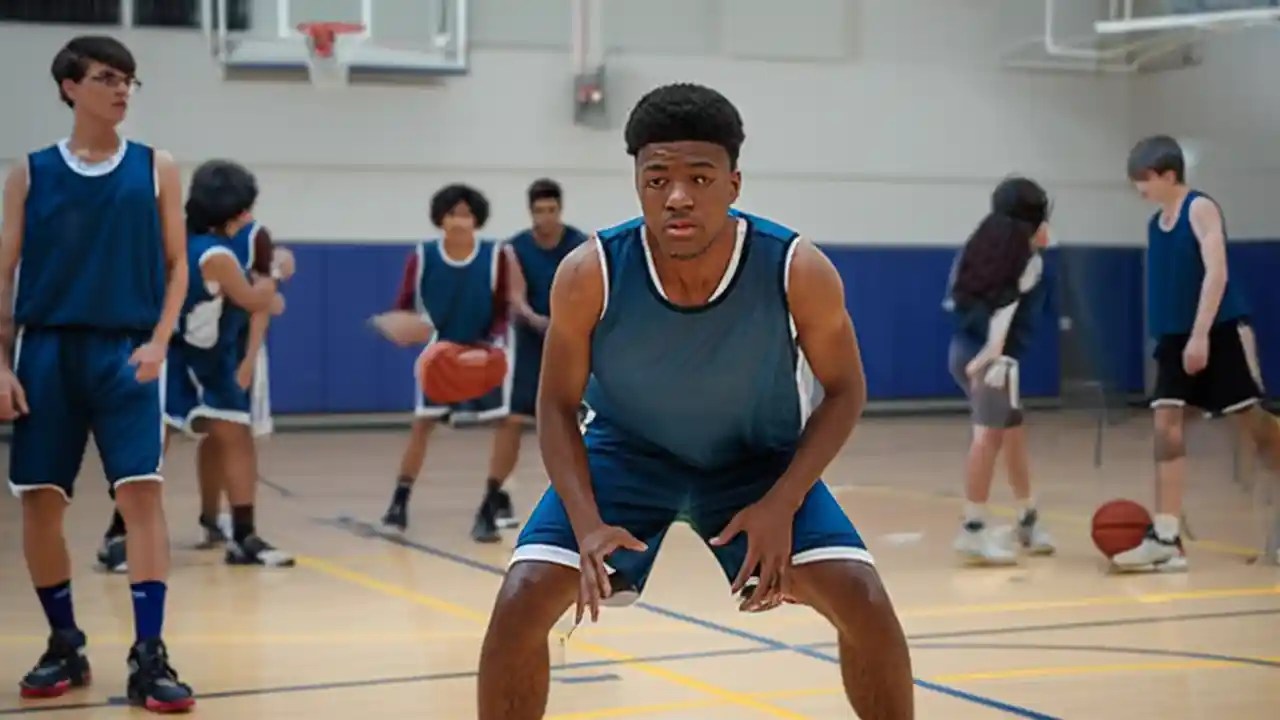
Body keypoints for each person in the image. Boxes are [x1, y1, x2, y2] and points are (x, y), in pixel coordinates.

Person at [475, 83, 915, 720]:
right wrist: (587, 523)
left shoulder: (796, 268)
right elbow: (556, 406)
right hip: (624, 461)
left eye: (699, 178)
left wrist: (783, 502)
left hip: (756, 464)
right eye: (657, 179)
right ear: (637, 184)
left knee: (862, 600)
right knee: (520, 602)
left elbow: (846, 390)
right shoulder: (589, 272)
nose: (677, 196)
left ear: (734, 183)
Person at [0, 36, 195, 711]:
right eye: (107, 77)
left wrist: (161, 341)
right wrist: (1, 364)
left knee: (141, 496)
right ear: (69, 87)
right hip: (46, 351)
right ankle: (64, 642)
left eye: (129, 80)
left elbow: (178, 263)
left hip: (127, 350)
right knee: (40, 500)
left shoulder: (155, 167)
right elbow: (4, 273)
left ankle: (149, 653)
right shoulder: (28, 173)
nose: (121, 90)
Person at [1116, 135, 1280, 572]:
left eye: (1144, 179)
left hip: (1217, 331)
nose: (1139, 189)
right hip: (1174, 338)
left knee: (1256, 429)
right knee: (1165, 425)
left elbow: (1217, 273)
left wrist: (1201, 334)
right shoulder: (1156, 224)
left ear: (1169, 175)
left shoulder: (1200, 208)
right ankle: (1166, 537)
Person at [95, 215, 294, 572]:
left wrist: (249, 357)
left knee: (231, 435)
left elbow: (260, 303)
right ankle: (119, 535)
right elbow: (257, 299)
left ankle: (236, 532)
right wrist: (274, 278)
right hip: (177, 353)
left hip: (216, 357)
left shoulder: (246, 239)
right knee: (154, 444)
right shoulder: (209, 253)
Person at [371, 183, 517, 543]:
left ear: (477, 219)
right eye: (453, 214)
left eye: (467, 215)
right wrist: (398, 324)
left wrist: (492, 346)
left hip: (483, 352)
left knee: (507, 424)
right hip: (441, 354)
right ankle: (399, 503)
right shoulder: (423, 256)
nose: (460, 221)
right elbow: (405, 305)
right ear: (441, 219)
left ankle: (491, 505)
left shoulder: (496, 255)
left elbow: (504, 310)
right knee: (422, 426)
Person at [944, 176, 1057, 565]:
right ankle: (973, 529)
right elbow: (1003, 316)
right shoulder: (1026, 262)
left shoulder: (977, 248)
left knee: (1012, 434)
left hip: (963, 349)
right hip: (992, 361)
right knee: (987, 438)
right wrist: (987, 358)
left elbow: (958, 301)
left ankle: (1027, 517)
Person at [485, 179, 588, 532]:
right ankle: (493, 498)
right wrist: (537, 319)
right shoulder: (514, 248)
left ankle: (582, 501)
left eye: (551, 210)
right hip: (530, 341)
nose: (546, 217)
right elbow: (516, 297)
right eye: (539, 211)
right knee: (512, 420)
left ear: (560, 209)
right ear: (531, 213)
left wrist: (566, 324)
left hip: (570, 340)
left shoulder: (580, 245)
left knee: (577, 422)